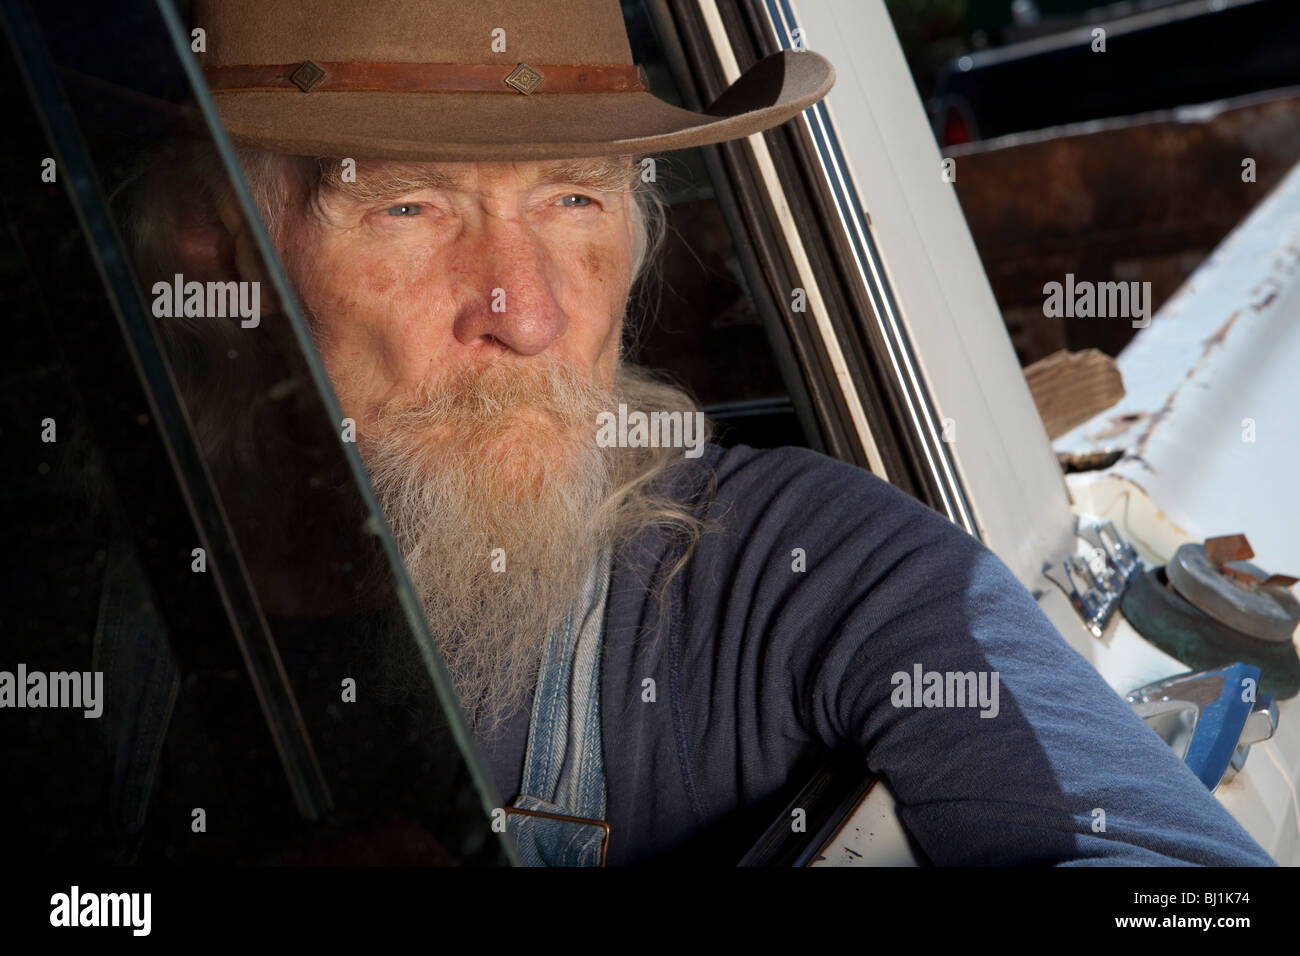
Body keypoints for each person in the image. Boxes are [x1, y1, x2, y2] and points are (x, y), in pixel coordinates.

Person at [110, 0, 1273, 866]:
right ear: (216, 249)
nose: (529, 311)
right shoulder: (93, 600)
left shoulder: (789, 572)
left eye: (575, 196)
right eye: (410, 205)